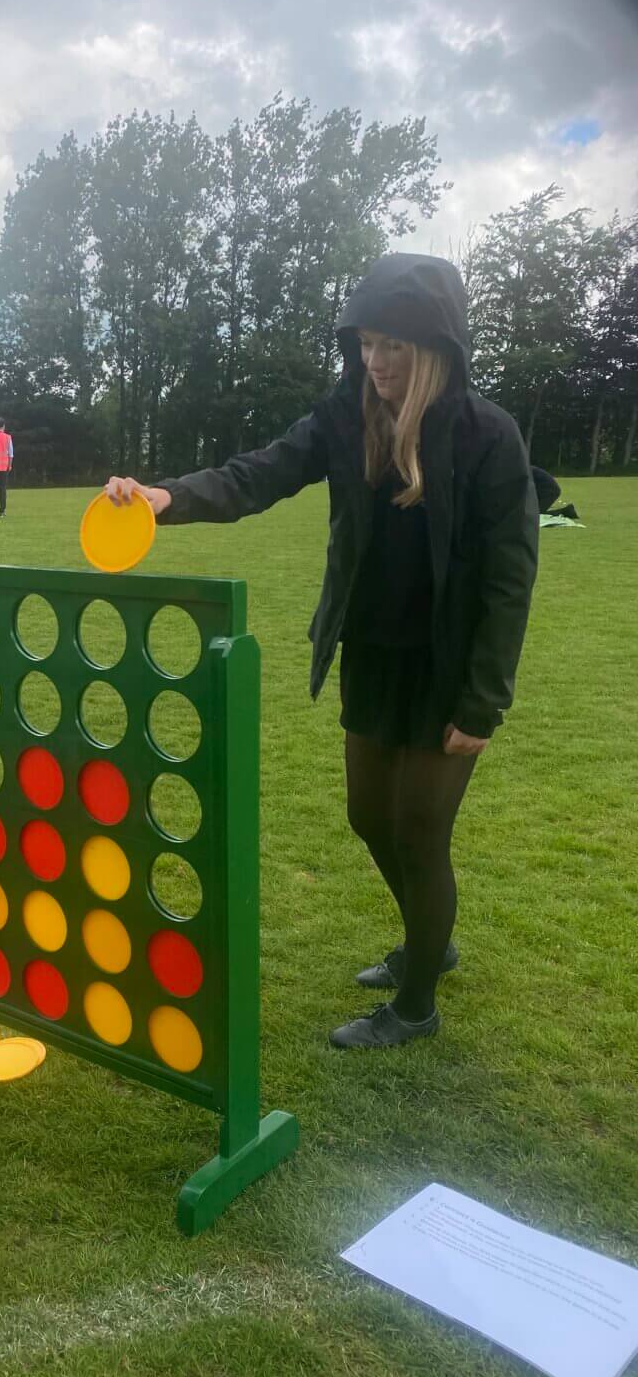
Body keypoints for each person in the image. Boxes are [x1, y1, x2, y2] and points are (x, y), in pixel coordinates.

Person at [106, 254, 538, 1050]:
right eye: (367, 344)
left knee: (418, 829)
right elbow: (259, 474)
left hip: (449, 670)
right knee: (369, 818)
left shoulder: (487, 436)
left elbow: (511, 581)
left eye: (395, 347)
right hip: (372, 654)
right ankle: (428, 942)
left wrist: (483, 700)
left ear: (436, 347)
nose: (376, 363)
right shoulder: (347, 417)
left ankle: (416, 1004)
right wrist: (167, 499)